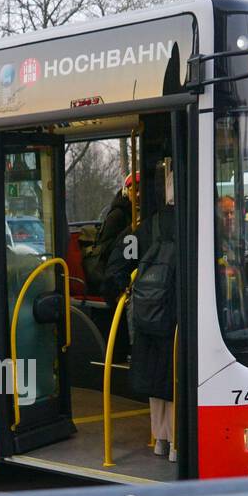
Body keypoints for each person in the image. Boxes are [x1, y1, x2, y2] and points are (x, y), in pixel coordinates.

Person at [102, 163, 179, 462]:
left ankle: (160, 439)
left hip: (147, 318)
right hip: (176, 320)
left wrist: (130, 293)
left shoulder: (145, 228)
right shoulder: (196, 225)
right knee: (176, 377)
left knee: (155, 379)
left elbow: (115, 269)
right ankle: (177, 444)